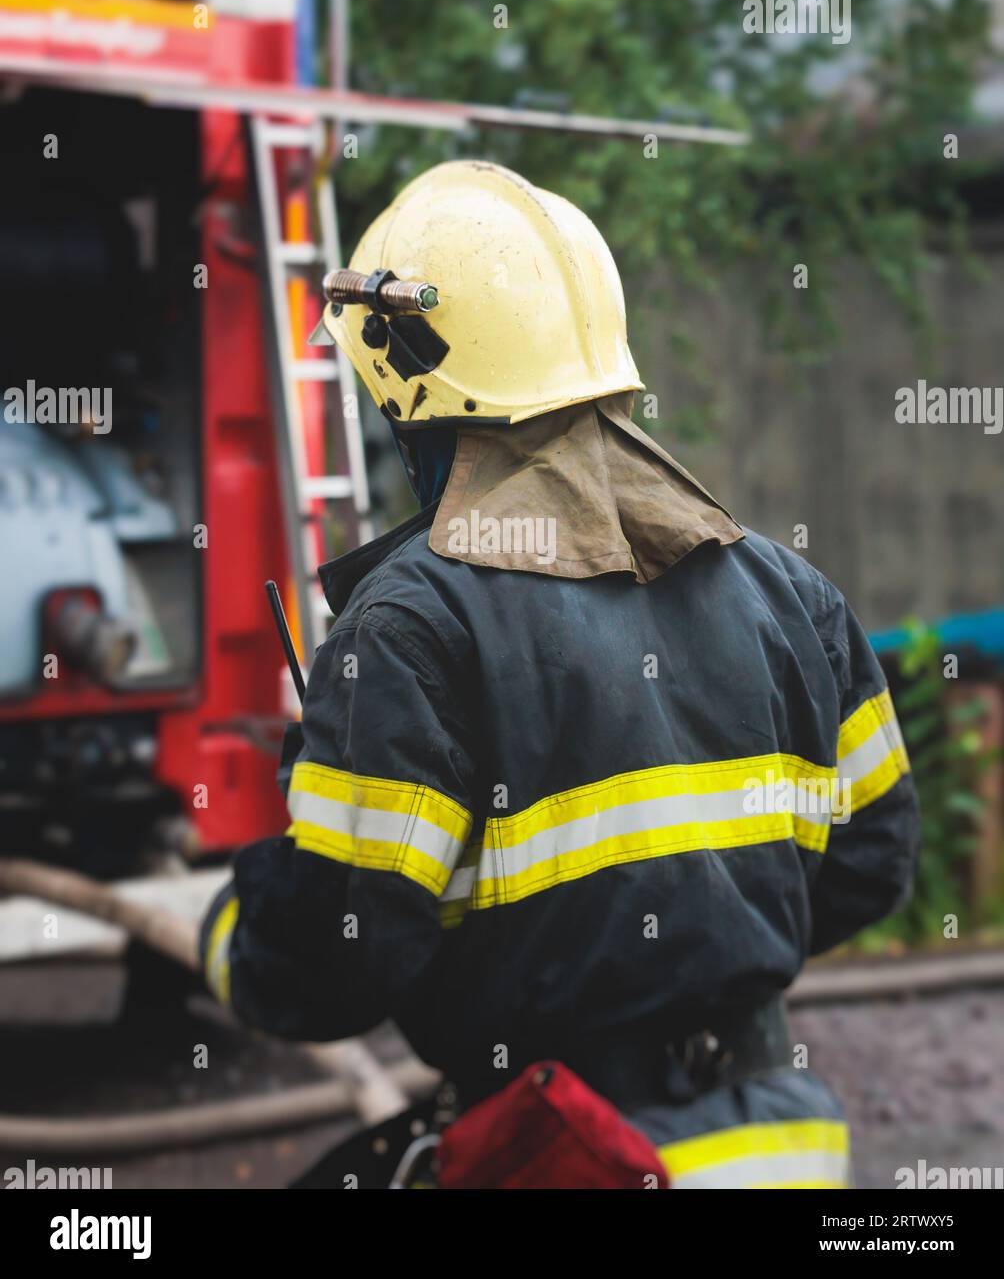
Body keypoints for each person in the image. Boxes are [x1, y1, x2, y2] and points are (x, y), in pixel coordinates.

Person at [200, 160, 919, 1188]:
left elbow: (337, 959)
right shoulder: (786, 592)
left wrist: (232, 934)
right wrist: (699, 957)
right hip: (781, 1145)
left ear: (409, 392)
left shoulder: (411, 630)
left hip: (561, 1150)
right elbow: (870, 859)